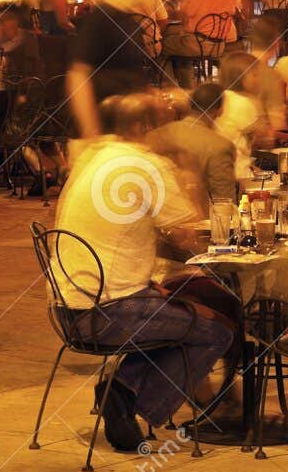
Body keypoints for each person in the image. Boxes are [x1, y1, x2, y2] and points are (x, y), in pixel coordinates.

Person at [51, 92, 235, 451]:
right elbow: (191, 233)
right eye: (162, 127)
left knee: (180, 306)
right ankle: (127, 402)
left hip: (67, 306)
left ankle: (121, 391)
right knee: (217, 331)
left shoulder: (95, 155)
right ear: (141, 128)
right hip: (106, 312)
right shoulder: (146, 165)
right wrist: (190, 174)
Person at [66, 0, 170, 139]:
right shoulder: (100, 19)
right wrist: (91, 131)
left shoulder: (129, 22)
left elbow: (130, 72)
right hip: (108, 130)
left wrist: (153, 96)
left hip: (128, 127)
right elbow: (78, 76)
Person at [148, 83, 238, 209]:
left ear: (190, 105)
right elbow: (224, 203)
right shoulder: (220, 146)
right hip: (197, 222)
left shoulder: (154, 136)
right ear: (220, 110)